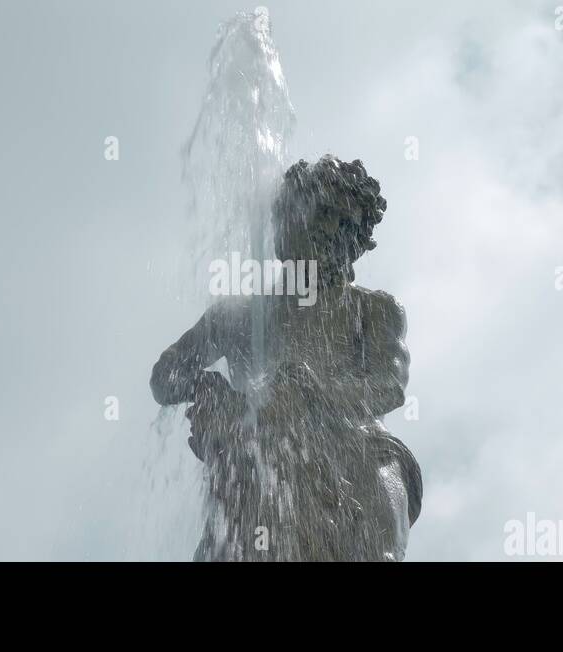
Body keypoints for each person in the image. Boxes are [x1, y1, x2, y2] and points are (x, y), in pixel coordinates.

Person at [151, 156, 422, 561]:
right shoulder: (238, 317)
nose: (326, 232)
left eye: (341, 224)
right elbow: (165, 376)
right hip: (263, 455)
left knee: (377, 513)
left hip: (359, 449)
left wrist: (309, 393)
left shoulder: (373, 309)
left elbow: (389, 386)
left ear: (355, 241)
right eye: (315, 215)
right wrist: (206, 388)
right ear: (284, 223)